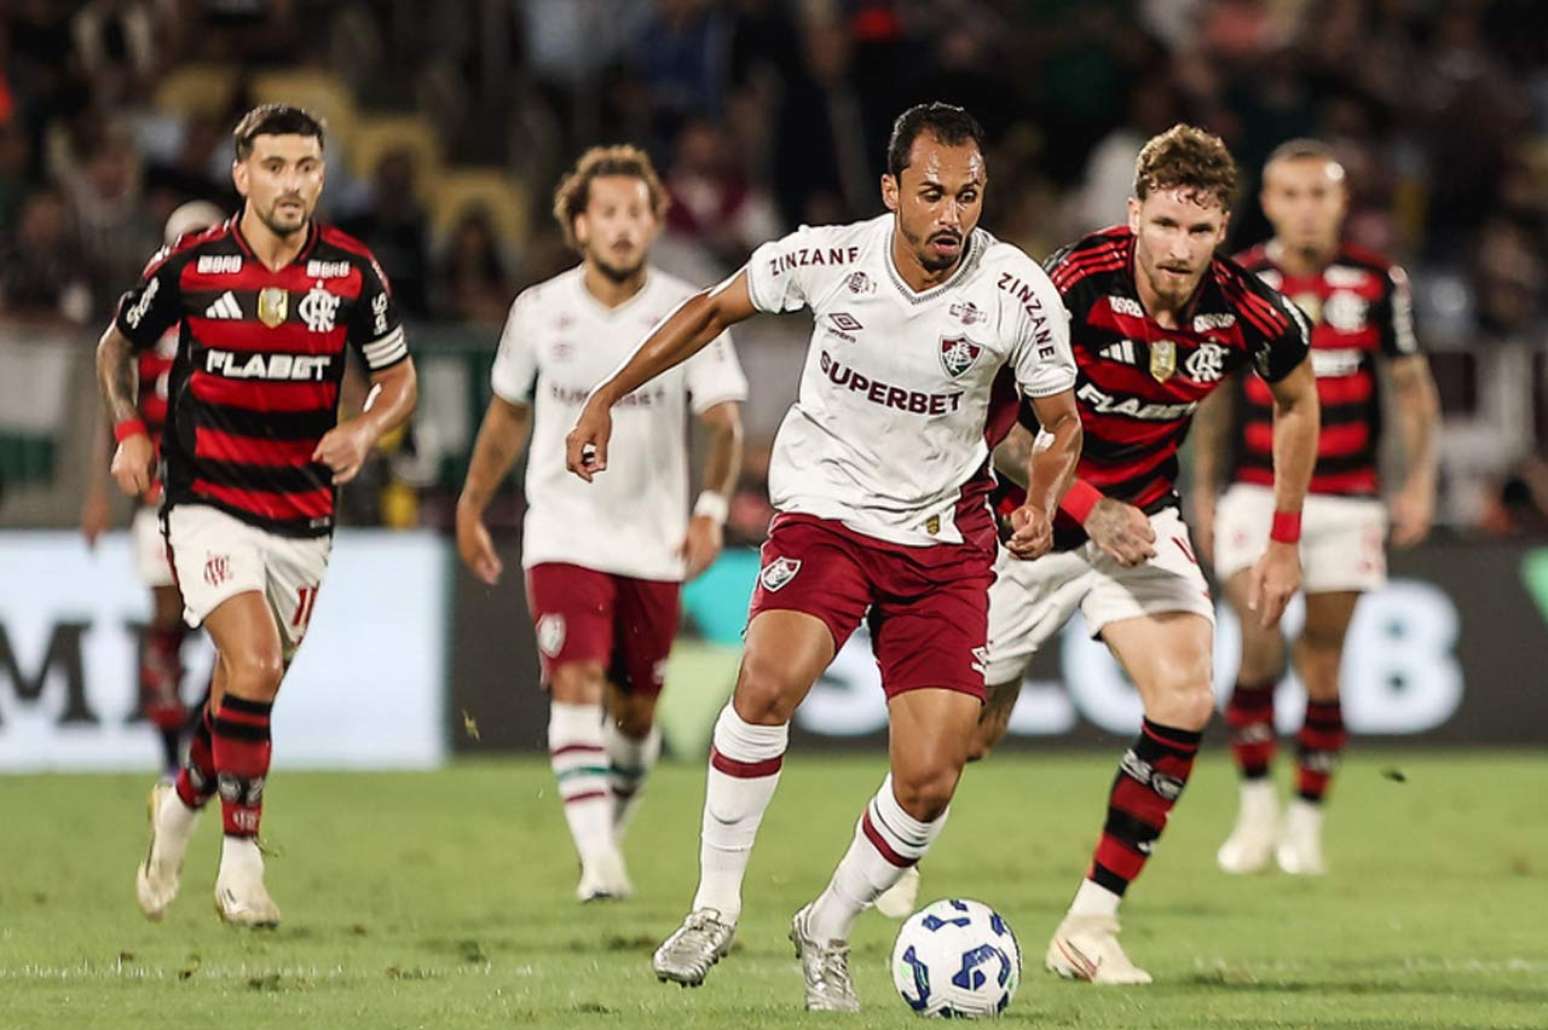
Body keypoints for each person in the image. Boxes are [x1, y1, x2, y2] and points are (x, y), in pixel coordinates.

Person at [566, 102, 1082, 1012]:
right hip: (828, 514)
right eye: (931, 194)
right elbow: (709, 310)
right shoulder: (827, 258)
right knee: (768, 681)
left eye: (968, 195)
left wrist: (1039, 502)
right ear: (891, 192)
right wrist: (609, 392)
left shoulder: (1018, 293)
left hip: (941, 540)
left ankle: (828, 926)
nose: (951, 215)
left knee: (931, 778)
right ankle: (713, 908)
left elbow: (1061, 424)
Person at [961, 124, 1318, 983]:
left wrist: (1283, 540)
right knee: (952, 752)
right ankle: (884, 873)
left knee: (1188, 699)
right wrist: (1085, 503)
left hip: (1141, 522)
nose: (1179, 248)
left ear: (1223, 228)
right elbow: (996, 428)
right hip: (1030, 520)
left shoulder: (1247, 308)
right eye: (1164, 225)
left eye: (1199, 230)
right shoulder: (1071, 284)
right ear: (1134, 215)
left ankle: (1090, 925)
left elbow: (1299, 401)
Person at [98, 104, 418, 928]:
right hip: (207, 501)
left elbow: (399, 375)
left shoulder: (351, 273)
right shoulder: (195, 265)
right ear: (241, 175)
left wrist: (367, 425)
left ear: (321, 175)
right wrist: (132, 432)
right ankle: (241, 864)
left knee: (250, 685)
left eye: (306, 167)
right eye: (273, 166)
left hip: (304, 515)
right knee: (254, 662)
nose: (291, 183)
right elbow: (116, 345)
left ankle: (177, 807)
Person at [456, 145, 748, 902]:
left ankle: (606, 834)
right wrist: (472, 501)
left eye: (635, 213)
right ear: (579, 225)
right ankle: (597, 859)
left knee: (636, 714)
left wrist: (711, 510)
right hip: (562, 530)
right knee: (577, 681)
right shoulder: (539, 311)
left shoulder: (690, 311)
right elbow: (505, 417)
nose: (622, 228)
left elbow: (724, 424)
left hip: (653, 541)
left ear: (655, 223)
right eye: (606, 213)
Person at [1194, 139, 1439, 876]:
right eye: (1291, 194)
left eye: (1319, 194)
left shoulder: (1375, 281)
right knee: (1260, 642)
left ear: (1341, 202)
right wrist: (1201, 489)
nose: (1306, 208)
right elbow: (1214, 394)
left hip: (1348, 499)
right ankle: (1256, 806)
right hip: (1255, 494)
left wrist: (1419, 479)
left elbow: (1409, 385)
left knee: (1324, 664)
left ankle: (1305, 821)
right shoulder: (1239, 280)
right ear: (1268, 204)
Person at [82, 199, 224, 779]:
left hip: (226, 492)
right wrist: (97, 493)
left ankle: (196, 718)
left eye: (201, 239)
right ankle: (172, 742)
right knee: (168, 615)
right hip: (161, 496)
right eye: (181, 240)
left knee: (231, 620)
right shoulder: (145, 319)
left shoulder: (238, 315)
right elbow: (115, 409)